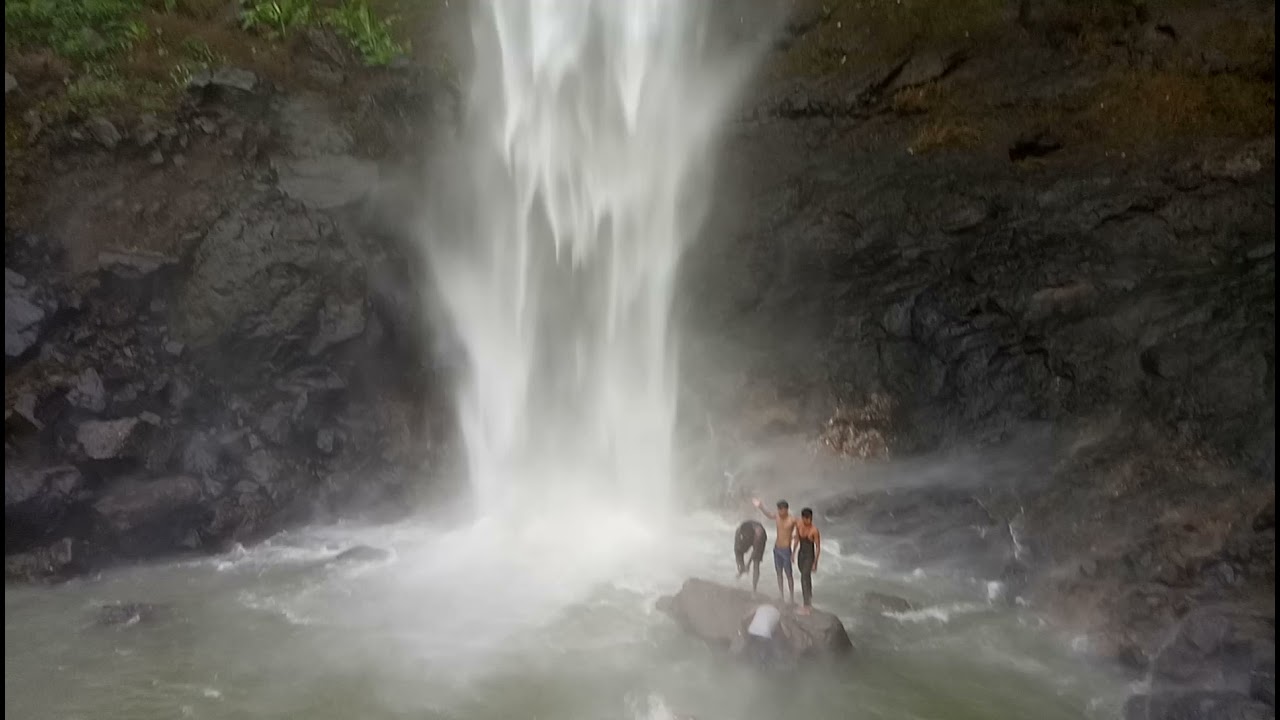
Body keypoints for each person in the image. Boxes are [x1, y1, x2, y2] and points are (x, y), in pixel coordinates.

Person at [752, 497, 798, 605]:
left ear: (786, 509)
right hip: (777, 548)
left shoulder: (792, 520)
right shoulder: (777, 516)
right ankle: (781, 595)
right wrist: (761, 506)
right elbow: (768, 515)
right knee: (778, 573)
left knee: (788, 574)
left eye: (781, 510)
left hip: (786, 550)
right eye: (778, 509)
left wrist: (794, 546)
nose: (779, 512)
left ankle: (791, 598)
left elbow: (800, 531)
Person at [738, 602, 784, 668]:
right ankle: (763, 665)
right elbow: (777, 630)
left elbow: (745, 618)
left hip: (752, 631)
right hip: (764, 635)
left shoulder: (761, 607)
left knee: (747, 646)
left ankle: (740, 659)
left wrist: (744, 630)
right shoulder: (778, 614)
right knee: (765, 649)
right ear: (778, 607)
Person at [796, 507, 822, 615]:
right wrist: (793, 553)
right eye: (807, 519)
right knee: (805, 576)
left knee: (803, 578)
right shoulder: (799, 525)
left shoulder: (814, 530)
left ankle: (806, 605)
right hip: (800, 554)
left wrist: (815, 562)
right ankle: (809, 599)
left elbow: (818, 547)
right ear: (803, 518)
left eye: (810, 518)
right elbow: (797, 539)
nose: (809, 521)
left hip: (809, 556)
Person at [734, 520, 768, 593]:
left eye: (747, 536)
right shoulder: (739, 530)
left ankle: (754, 589)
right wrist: (740, 565)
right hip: (748, 532)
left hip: (761, 538)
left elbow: (755, 550)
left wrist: (748, 565)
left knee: (756, 563)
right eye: (744, 536)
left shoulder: (759, 534)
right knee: (738, 549)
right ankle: (741, 570)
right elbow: (736, 548)